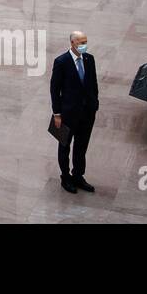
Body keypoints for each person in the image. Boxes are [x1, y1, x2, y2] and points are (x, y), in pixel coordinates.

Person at [50, 30, 99, 194]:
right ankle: (65, 176)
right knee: (64, 146)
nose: (84, 45)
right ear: (72, 43)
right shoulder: (61, 62)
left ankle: (78, 175)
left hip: (86, 113)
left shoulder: (89, 59)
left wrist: (94, 103)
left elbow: (93, 83)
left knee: (81, 146)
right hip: (67, 114)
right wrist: (57, 113)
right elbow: (54, 90)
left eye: (85, 41)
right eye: (80, 42)